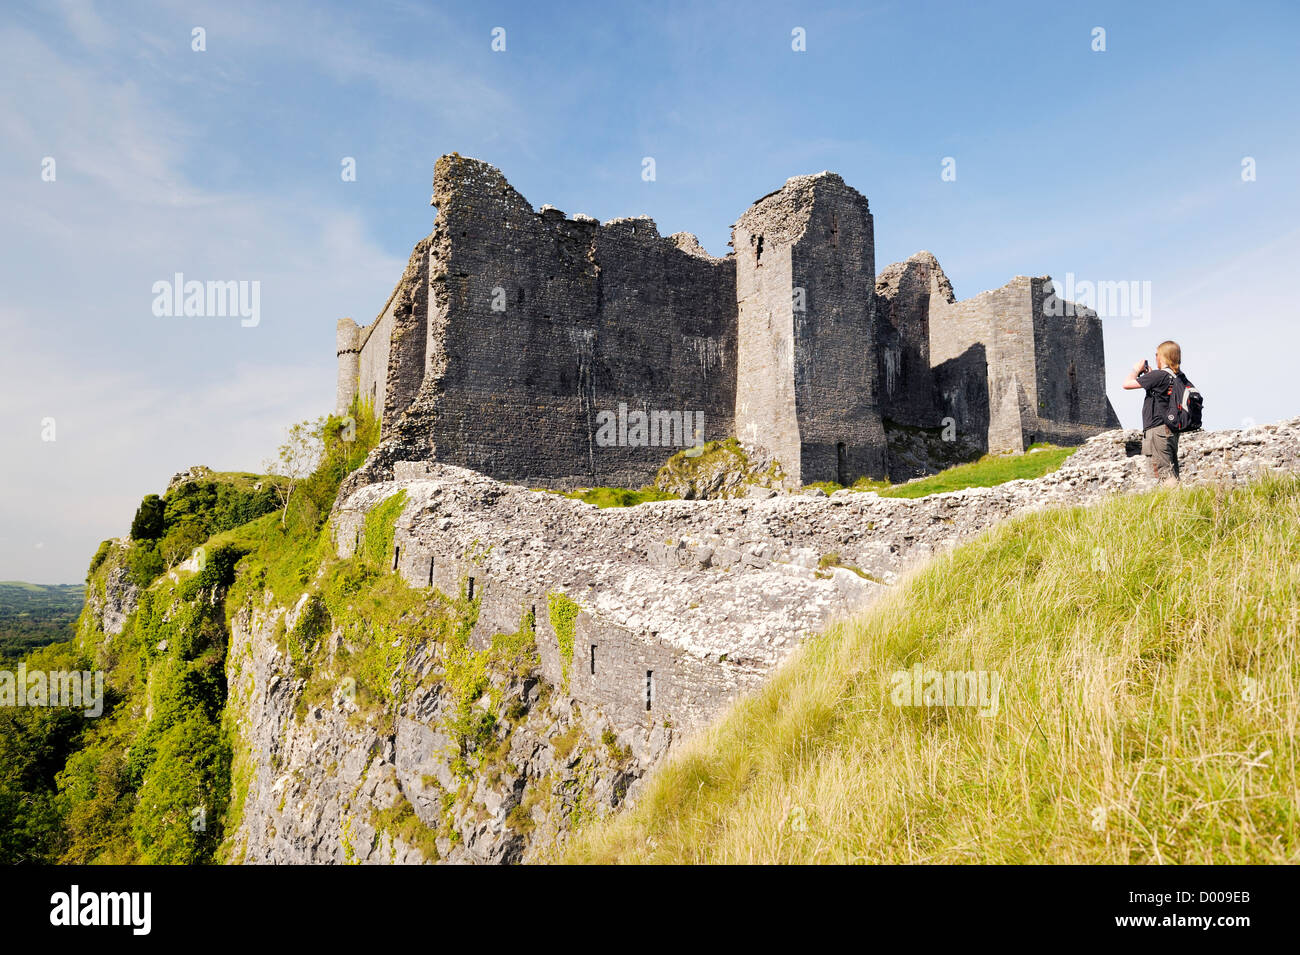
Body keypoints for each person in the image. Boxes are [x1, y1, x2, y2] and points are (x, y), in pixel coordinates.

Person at [1122, 340, 1192, 487]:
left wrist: (1135, 370)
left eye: (1157, 354)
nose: (1155, 357)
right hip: (1171, 430)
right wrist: (1151, 375)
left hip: (1157, 430)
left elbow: (1126, 384)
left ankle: (1171, 506)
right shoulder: (1176, 376)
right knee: (1171, 471)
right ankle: (1178, 503)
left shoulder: (1159, 376)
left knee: (1163, 473)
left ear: (1163, 356)